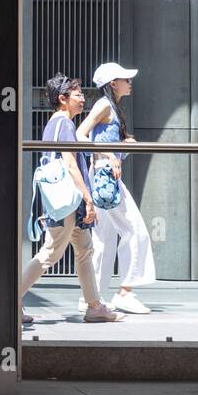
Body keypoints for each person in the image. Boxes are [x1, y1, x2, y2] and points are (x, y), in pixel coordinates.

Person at [18, 73, 122, 325]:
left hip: (62, 200)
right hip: (68, 200)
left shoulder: (53, 122)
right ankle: (10, 298)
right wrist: (87, 199)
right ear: (62, 99)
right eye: (77, 95)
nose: (82, 99)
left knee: (85, 249)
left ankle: (94, 306)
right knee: (50, 253)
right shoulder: (64, 123)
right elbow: (70, 164)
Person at [76, 63, 155, 315]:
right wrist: (110, 153)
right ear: (112, 83)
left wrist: (122, 144)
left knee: (102, 239)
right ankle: (125, 292)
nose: (129, 82)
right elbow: (80, 134)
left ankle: (91, 296)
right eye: (125, 79)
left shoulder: (111, 107)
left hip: (101, 177)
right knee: (136, 230)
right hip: (105, 178)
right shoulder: (103, 105)